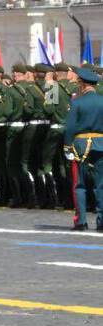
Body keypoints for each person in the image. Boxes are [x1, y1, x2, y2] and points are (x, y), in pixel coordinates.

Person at [64, 64, 103, 231]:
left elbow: (70, 127)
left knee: (79, 185)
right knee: (101, 184)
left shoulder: (77, 102)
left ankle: (81, 221)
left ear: (82, 83)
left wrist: (67, 146)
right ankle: (102, 221)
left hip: (81, 145)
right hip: (101, 144)